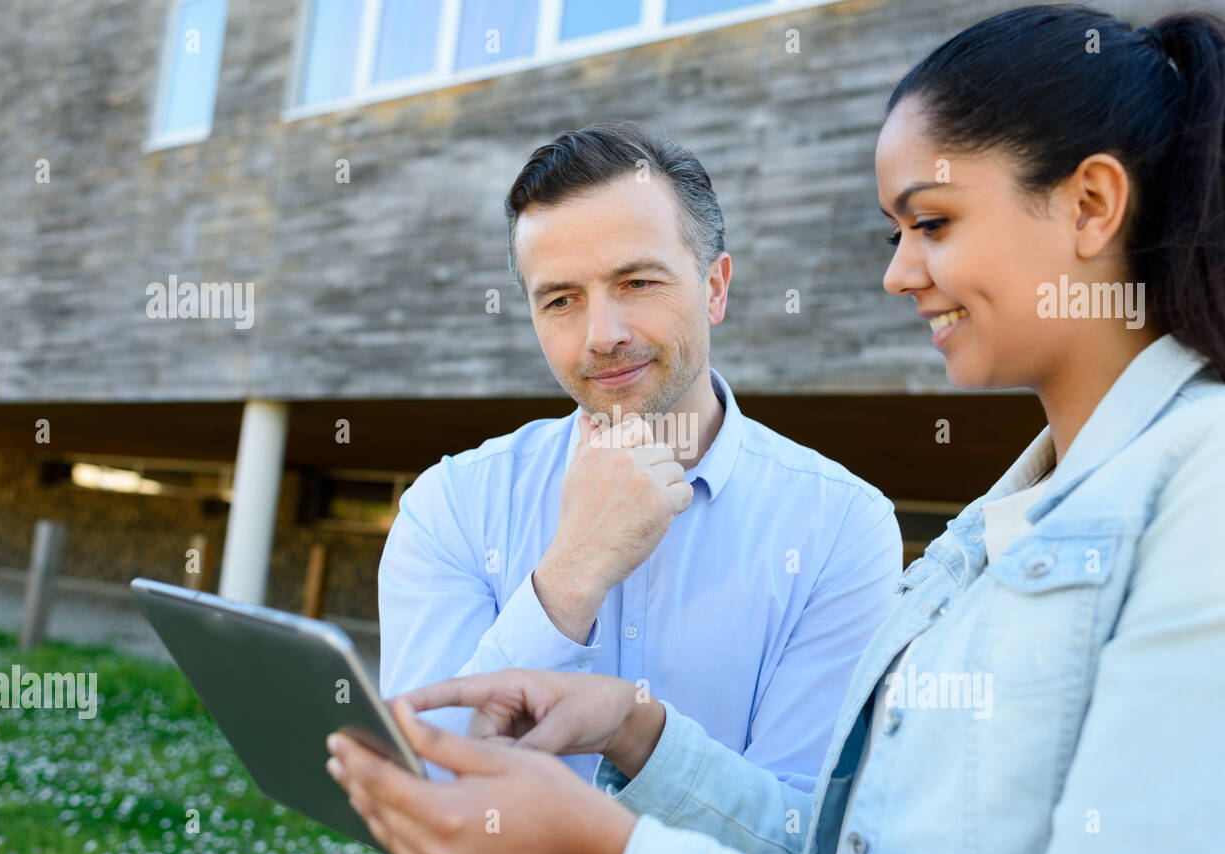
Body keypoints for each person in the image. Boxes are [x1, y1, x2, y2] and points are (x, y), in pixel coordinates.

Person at [329, 5, 1225, 854]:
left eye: (933, 222)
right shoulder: (993, 531)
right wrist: (634, 723)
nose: (900, 274)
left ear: (1090, 205)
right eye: (895, 233)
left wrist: (612, 846)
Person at [377, 121, 903, 789]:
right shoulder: (447, 507)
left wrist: (637, 740)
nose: (603, 336)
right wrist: (571, 573)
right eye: (561, 299)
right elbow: (428, 790)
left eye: (637, 283)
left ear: (714, 288)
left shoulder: (842, 527)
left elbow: (798, 835)